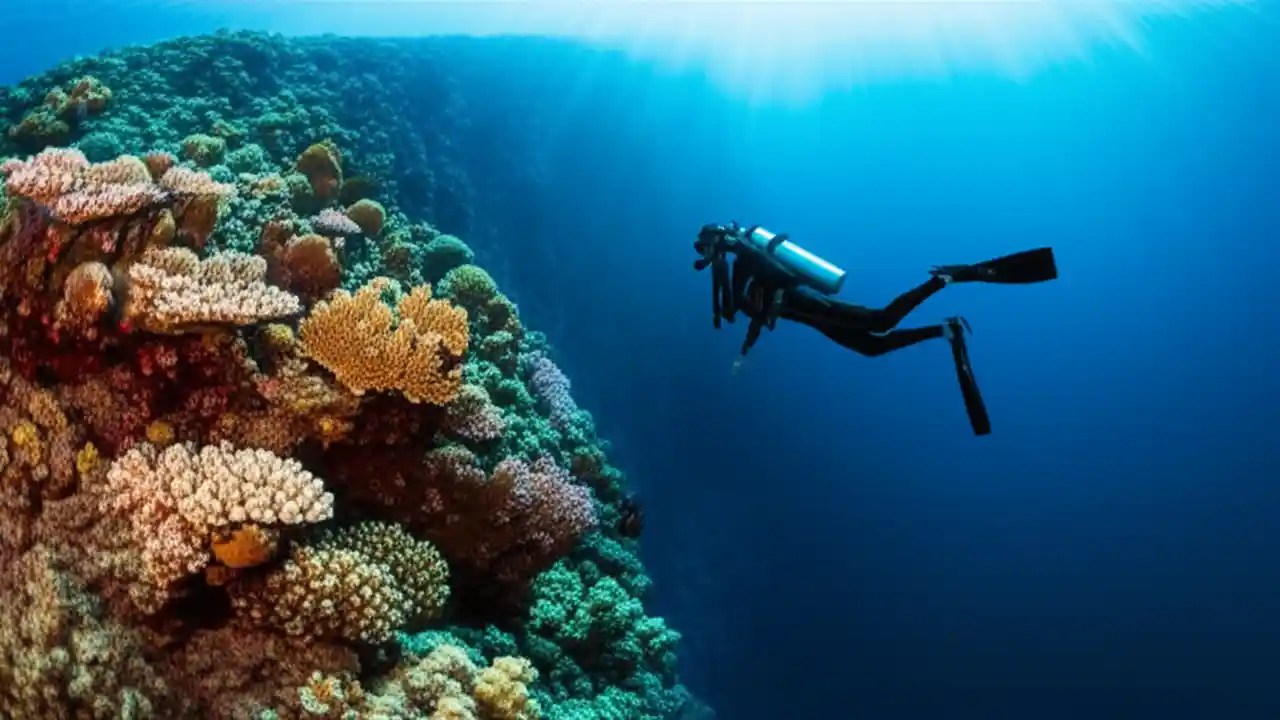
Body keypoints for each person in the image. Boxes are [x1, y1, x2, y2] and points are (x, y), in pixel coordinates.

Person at [692, 221, 1058, 435]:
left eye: (703, 245)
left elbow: (780, 276)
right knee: (872, 347)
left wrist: (746, 265)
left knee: (880, 321)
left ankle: (943, 280)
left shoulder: (741, 256)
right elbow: (754, 318)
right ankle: (946, 330)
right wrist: (744, 353)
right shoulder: (732, 273)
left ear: (716, 240)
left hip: (806, 305)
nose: (702, 253)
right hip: (806, 315)